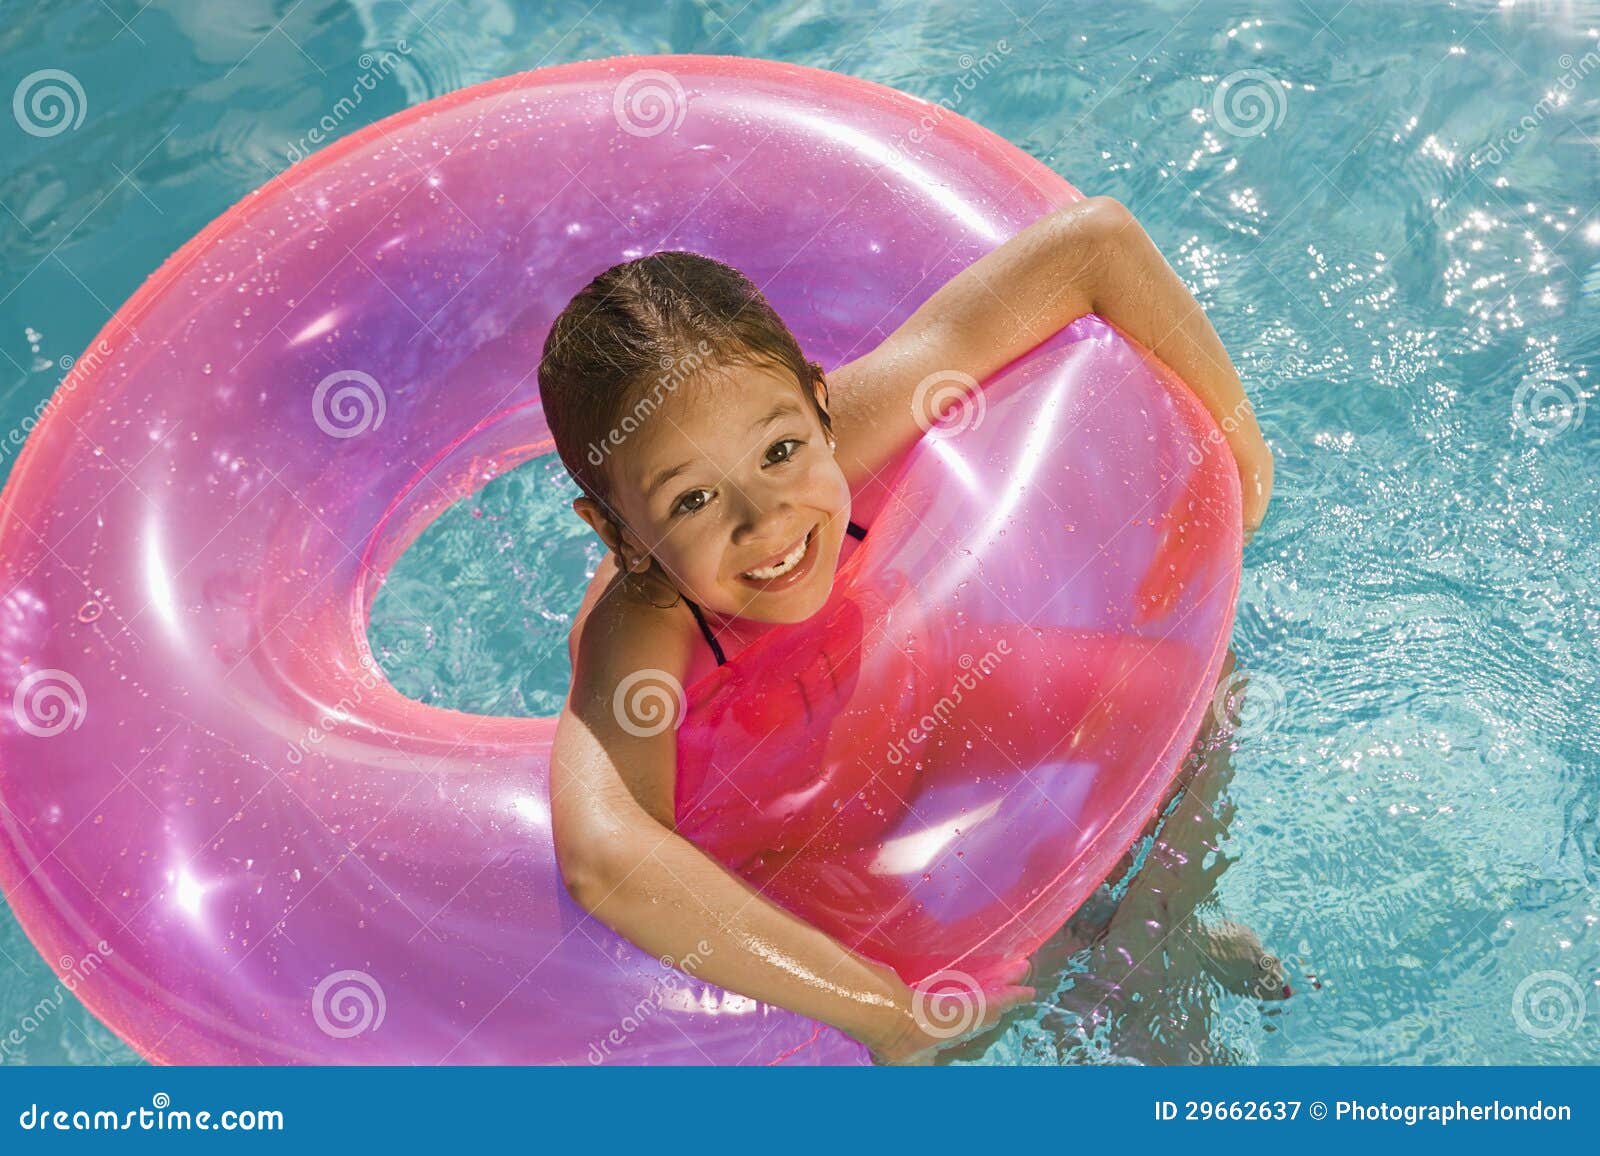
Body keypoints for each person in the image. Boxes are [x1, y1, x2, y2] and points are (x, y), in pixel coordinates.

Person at [537, 196, 1274, 1064]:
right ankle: (1096, 974)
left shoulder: (848, 421)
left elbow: (1095, 245)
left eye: (780, 453)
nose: (766, 522)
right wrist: (885, 1011)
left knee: (1189, 695)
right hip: (788, 827)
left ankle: (1159, 923)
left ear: (817, 404)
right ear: (617, 532)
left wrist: (1242, 456)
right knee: (970, 999)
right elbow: (605, 853)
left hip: (917, 685)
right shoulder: (645, 624)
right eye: (691, 501)